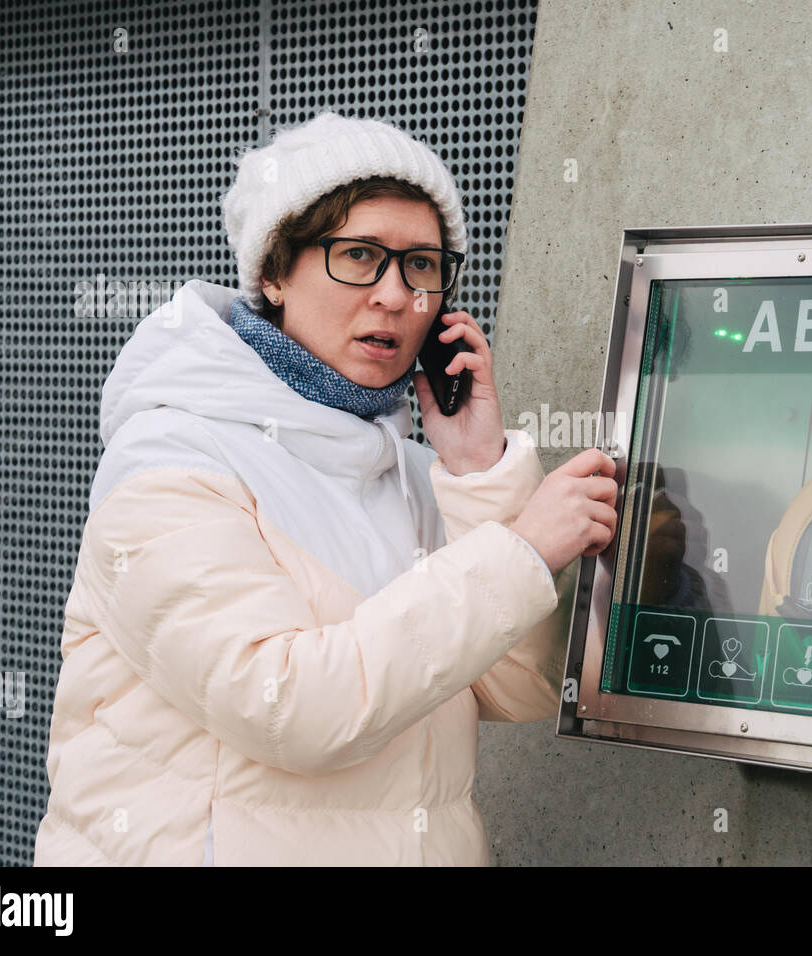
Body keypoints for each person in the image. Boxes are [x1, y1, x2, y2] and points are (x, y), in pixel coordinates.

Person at [32, 112, 618, 866]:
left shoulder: (411, 472)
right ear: (272, 271)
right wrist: (527, 547)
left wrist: (480, 473)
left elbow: (519, 689)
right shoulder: (171, 460)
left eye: (421, 266)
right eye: (359, 255)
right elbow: (289, 709)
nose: (395, 295)